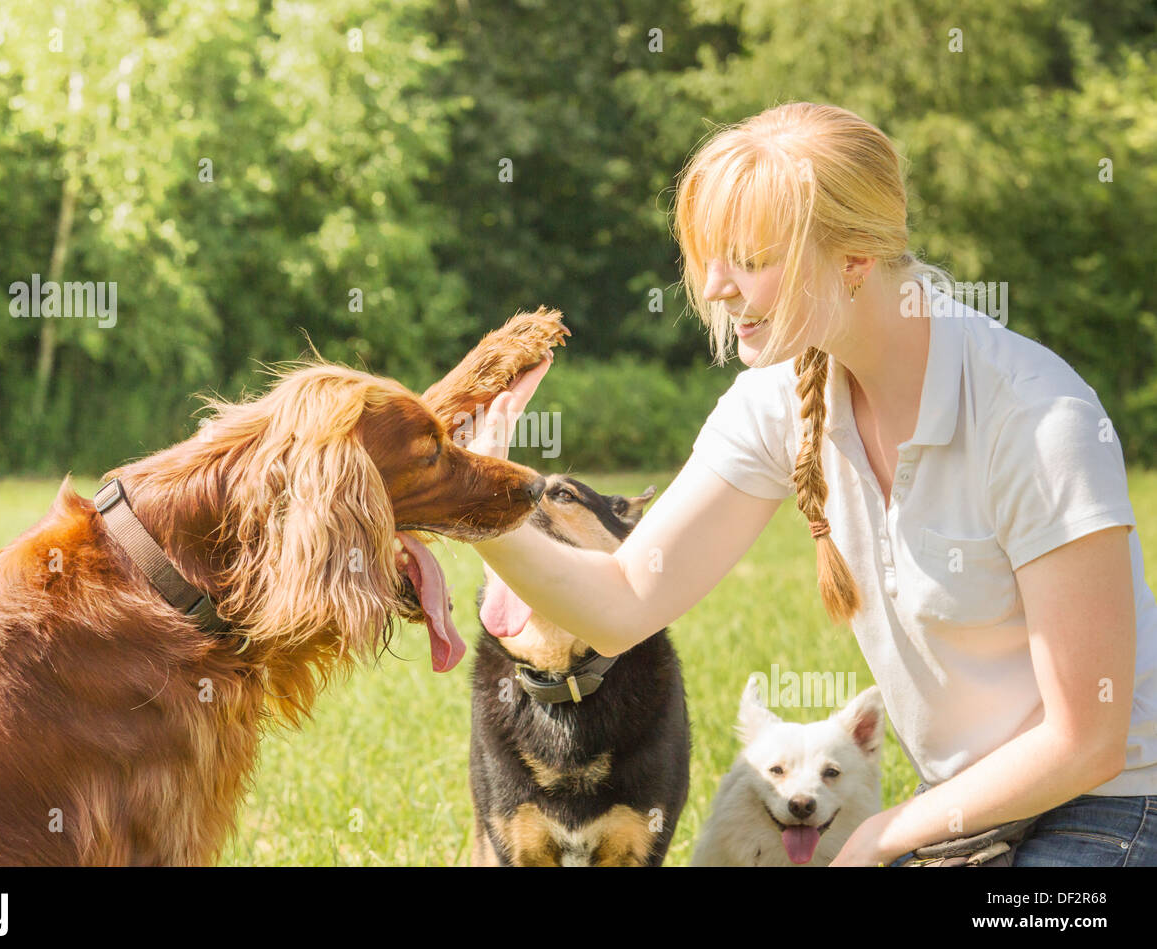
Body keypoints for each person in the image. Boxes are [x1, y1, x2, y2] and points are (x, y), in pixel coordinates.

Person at [465, 102, 1157, 866]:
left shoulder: (1035, 418)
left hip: (1117, 807)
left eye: (749, 260)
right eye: (709, 260)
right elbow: (623, 603)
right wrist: (485, 504)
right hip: (964, 815)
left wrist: (878, 838)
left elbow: (1087, 741)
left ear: (855, 259)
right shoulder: (779, 398)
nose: (718, 289)